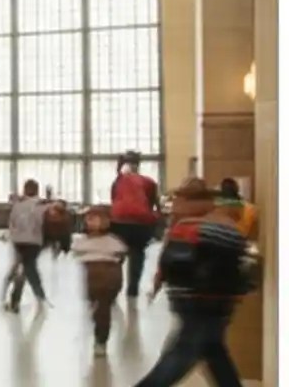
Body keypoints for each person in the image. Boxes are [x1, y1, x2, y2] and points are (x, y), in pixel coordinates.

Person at [134, 178, 250, 387]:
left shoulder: (189, 225)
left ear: (189, 200)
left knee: (182, 354)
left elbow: (172, 262)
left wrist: (162, 283)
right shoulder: (229, 224)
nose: (175, 204)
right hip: (219, 299)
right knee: (214, 352)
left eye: (180, 198)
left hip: (198, 298)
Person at [72, 206, 127, 357]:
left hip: (109, 278)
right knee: (97, 306)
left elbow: (121, 256)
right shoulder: (82, 242)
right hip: (92, 279)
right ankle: (100, 335)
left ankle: (101, 340)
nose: (91, 222)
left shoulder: (113, 241)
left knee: (103, 309)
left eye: (95, 219)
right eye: (88, 219)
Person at [110, 151, 161, 298]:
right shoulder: (149, 182)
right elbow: (153, 204)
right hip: (141, 223)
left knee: (116, 255)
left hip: (119, 221)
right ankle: (133, 289)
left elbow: (115, 200)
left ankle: (113, 287)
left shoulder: (118, 181)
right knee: (138, 254)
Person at [5, 179, 49, 312]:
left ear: (25, 190)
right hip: (35, 242)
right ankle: (39, 296)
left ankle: (16, 301)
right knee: (29, 268)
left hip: (19, 241)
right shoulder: (42, 207)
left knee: (25, 270)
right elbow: (44, 224)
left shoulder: (17, 206)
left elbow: (11, 223)